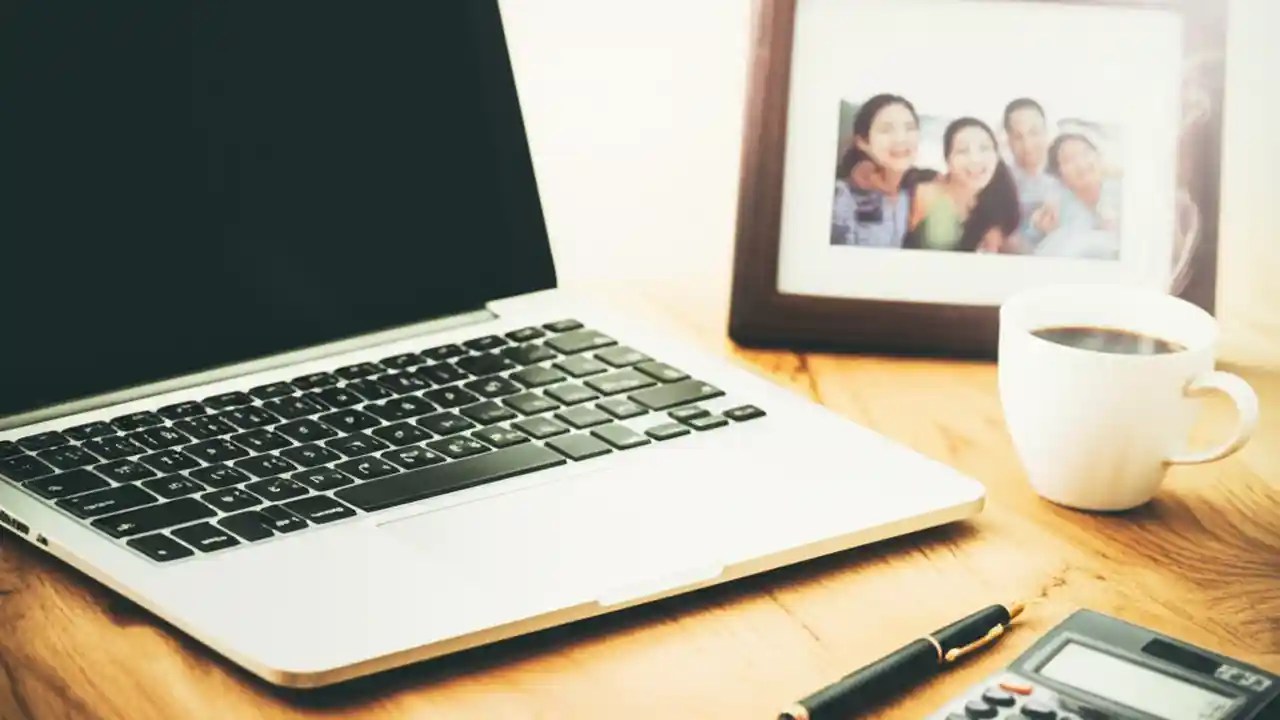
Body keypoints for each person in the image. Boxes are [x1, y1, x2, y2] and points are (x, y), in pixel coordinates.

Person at [902, 117, 1020, 253]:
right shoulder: (925, 194)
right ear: (948, 160)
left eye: (985, 148)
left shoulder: (997, 203)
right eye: (963, 150)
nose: (975, 159)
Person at [831, 94, 930, 248]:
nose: (901, 139)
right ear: (863, 142)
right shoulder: (841, 197)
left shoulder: (919, 192)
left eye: (909, 128)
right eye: (886, 130)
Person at [1034, 133, 1121, 260]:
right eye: (1069, 160)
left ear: (1098, 155)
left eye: (1085, 153)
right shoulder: (1061, 211)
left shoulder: (1122, 192)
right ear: (1059, 176)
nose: (1081, 164)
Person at [1003, 98, 1062, 251]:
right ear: (1008, 141)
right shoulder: (999, 182)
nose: (1027, 145)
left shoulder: (1067, 172)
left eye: (1034, 133)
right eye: (1018, 137)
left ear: (1046, 132)